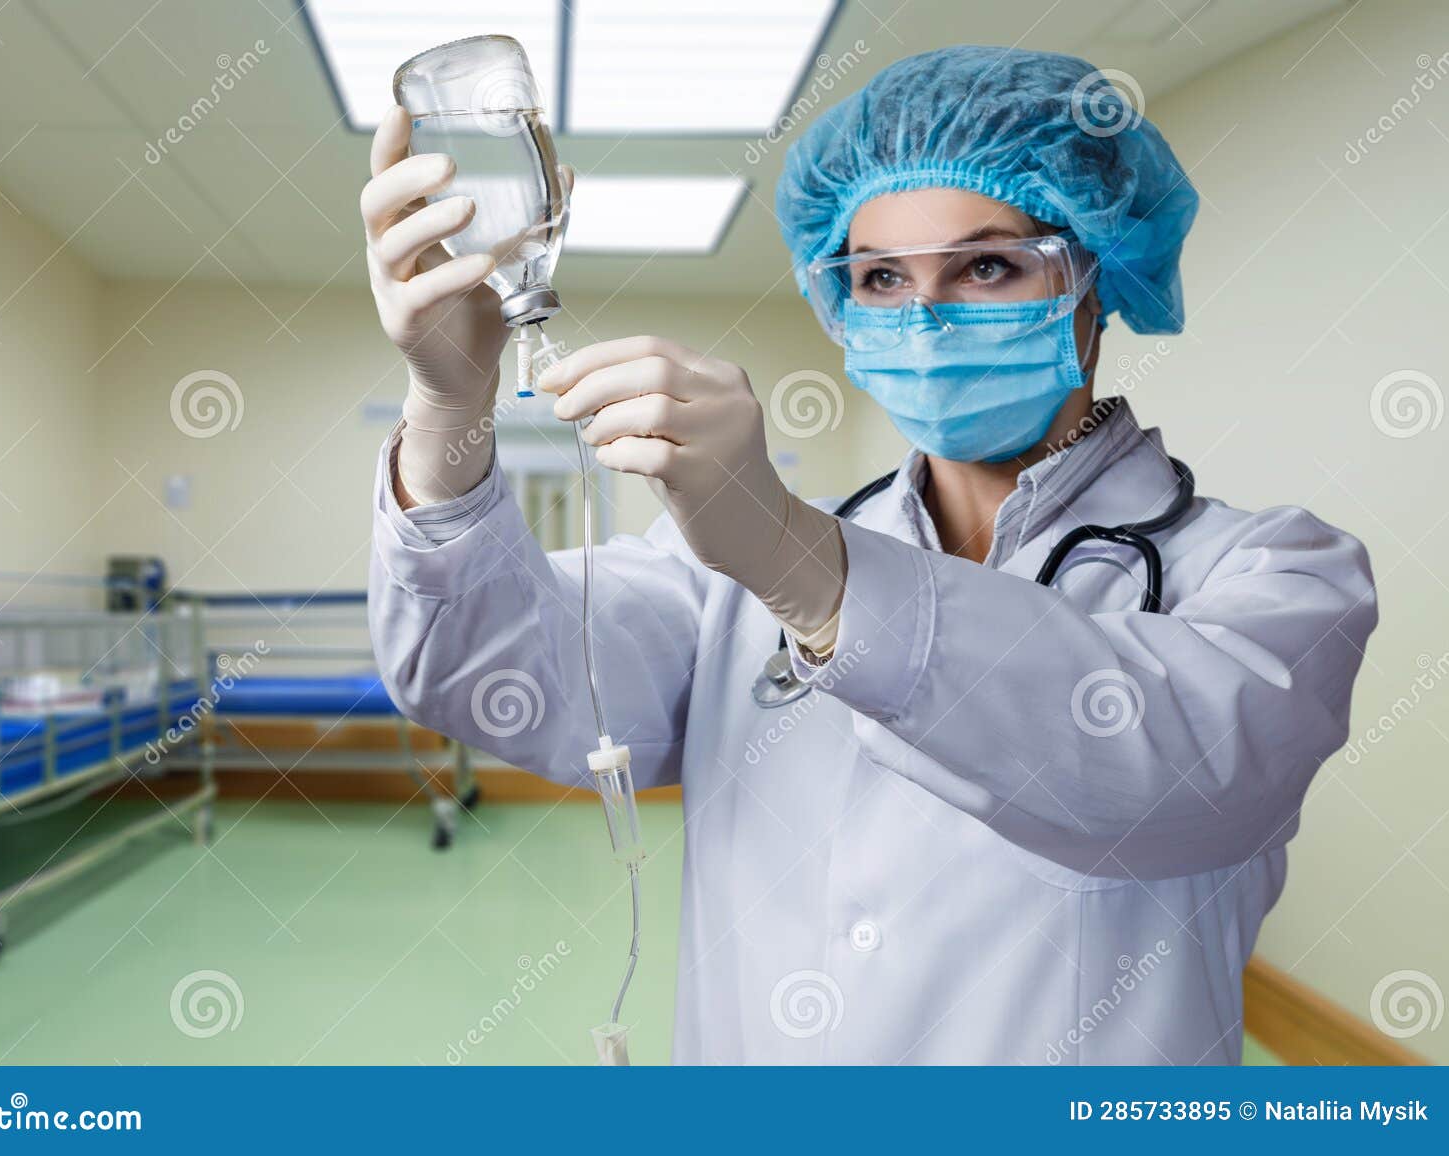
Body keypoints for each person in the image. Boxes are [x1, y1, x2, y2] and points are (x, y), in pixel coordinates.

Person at [362, 46, 1377, 1064]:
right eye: (881, 278)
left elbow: (1176, 784)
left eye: (987, 264)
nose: (923, 317)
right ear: (837, 304)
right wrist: (448, 412)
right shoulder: (719, 572)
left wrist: (804, 564)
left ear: (1094, 276)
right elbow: (485, 674)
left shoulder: (1273, 572)